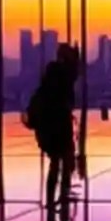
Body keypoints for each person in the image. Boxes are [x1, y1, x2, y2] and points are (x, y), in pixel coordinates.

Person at [28, 44, 80, 209]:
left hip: (49, 125)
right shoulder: (64, 74)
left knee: (57, 162)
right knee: (64, 160)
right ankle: (61, 195)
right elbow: (74, 76)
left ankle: (53, 199)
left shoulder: (53, 73)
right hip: (58, 124)